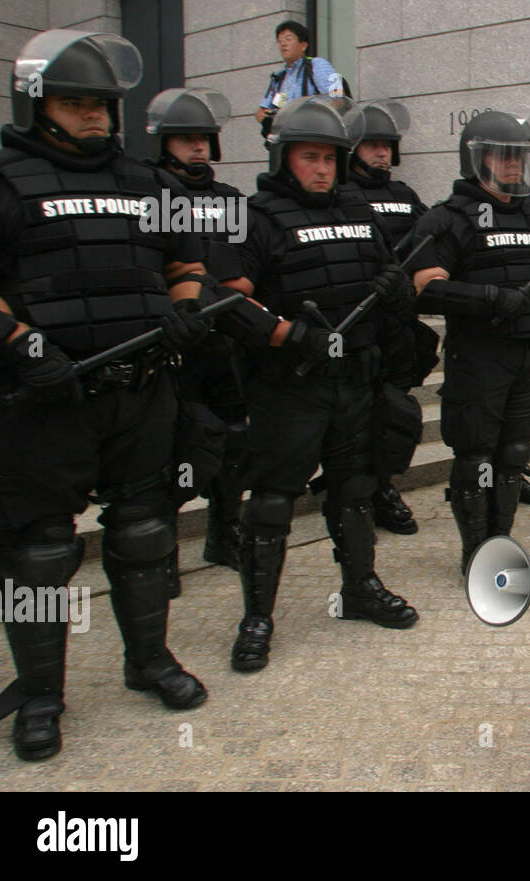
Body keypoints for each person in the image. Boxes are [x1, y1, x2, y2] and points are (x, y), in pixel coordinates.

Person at [0, 30, 211, 761]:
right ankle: (43, 694)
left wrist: (183, 307)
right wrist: (18, 342)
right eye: (76, 102)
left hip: (140, 391)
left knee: (145, 532)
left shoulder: (146, 182)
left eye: (103, 105)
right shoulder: (0, 180)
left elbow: (186, 262)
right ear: (36, 102)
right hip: (47, 399)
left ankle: (147, 661)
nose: (94, 116)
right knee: (42, 552)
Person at [214, 95, 419, 673]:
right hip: (291, 386)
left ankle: (359, 588)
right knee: (273, 504)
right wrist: (286, 334)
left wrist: (394, 285)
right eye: (310, 157)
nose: (323, 168)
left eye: (331, 157)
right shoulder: (255, 216)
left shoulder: (360, 209)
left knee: (354, 491)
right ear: (284, 159)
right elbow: (227, 299)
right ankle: (257, 617)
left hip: (354, 380)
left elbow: (387, 277)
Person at [412, 110, 530, 575]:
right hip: (479, 354)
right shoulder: (449, 217)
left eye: (519, 156)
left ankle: (501, 544)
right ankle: (475, 554)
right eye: (503, 155)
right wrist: (490, 298)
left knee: (514, 453)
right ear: (476, 158)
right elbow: (423, 287)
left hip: (528, 351)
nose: (514, 165)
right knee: (476, 452)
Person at [143, 87, 248, 583]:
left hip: (226, 338)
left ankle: (223, 532)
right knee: (169, 448)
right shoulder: (148, 196)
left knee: (232, 440)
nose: (198, 148)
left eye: (204, 138)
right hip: (173, 340)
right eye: (186, 139)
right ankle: (162, 552)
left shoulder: (231, 201)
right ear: (164, 144)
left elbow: (247, 267)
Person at [346, 98, 435, 535]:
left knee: (393, 413)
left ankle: (382, 485)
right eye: (370, 146)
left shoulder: (404, 195)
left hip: (398, 323)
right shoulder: (343, 196)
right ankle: (358, 489)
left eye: (385, 146)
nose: (380, 153)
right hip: (358, 325)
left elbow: (432, 240)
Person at [255, 20, 345, 135]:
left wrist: (311, 115)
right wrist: (270, 120)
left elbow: (339, 99)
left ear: (303, 45)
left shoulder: (318, 64)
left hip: (314, 134)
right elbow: (260, 113)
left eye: (288, 39)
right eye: (279, 41)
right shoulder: (278, 78)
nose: (283, 44)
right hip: (286, 139)